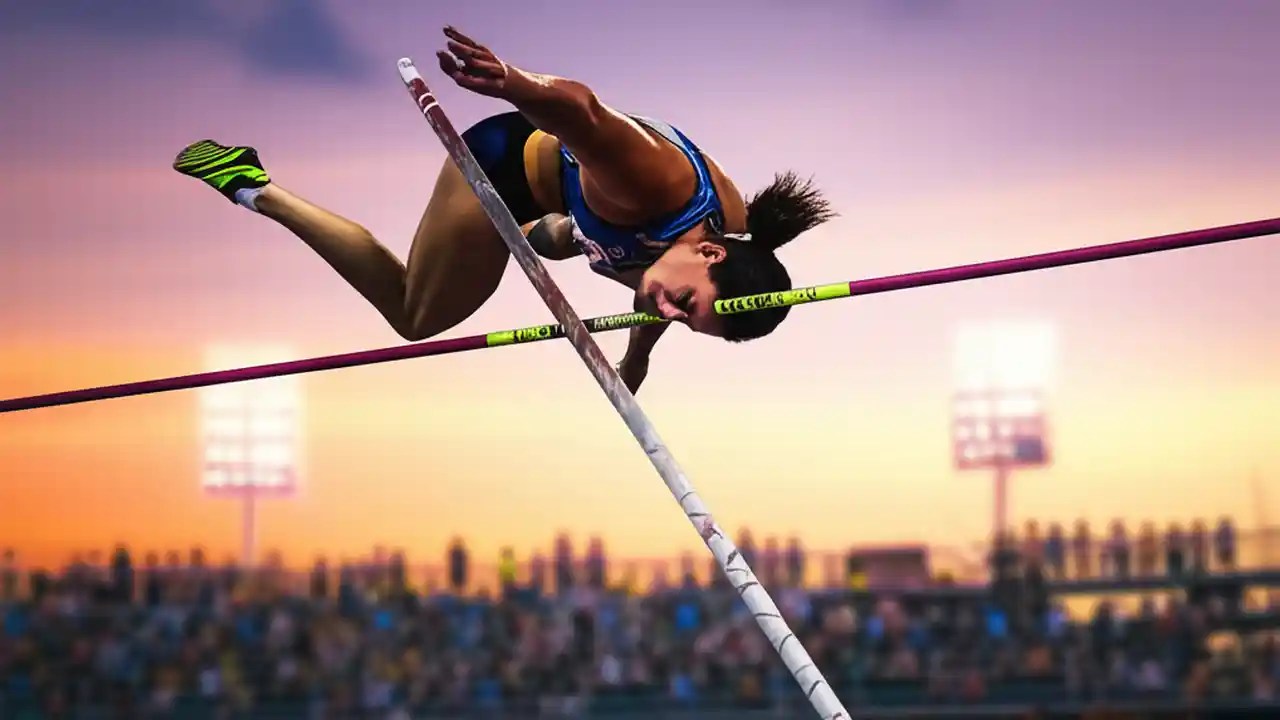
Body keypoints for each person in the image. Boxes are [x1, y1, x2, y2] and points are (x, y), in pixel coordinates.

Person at [173, 26, 834, 392]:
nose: (669, 310)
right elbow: (583, 109)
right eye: (685, 306)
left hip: (589, 216)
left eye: (688, 322)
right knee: (415, 315)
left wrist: (635, 364)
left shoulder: (699, 256)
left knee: (610, 262)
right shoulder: (654, 184)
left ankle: (562, 233)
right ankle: (253, 184)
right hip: (507, 162)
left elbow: (664, 298)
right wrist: (515, 81)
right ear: (711, 249)